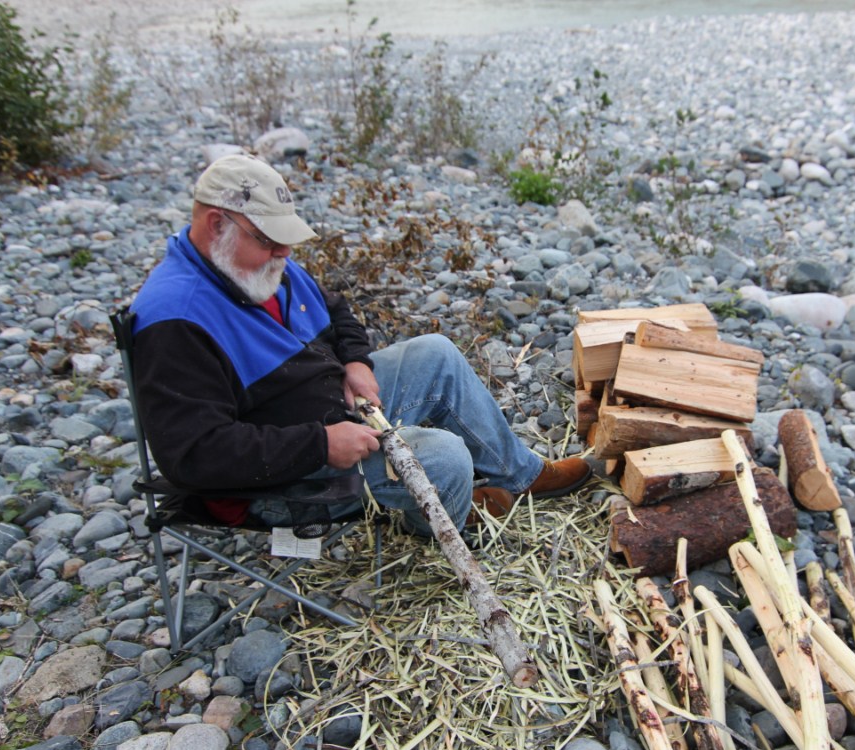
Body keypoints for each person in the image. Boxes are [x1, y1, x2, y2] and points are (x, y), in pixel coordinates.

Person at [128, 154, 591, 536]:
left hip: (332, 408)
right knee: (443, 456)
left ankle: (522, 475)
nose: (284, 254)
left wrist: (354, 361)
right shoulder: (175, 320)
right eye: (269, 240)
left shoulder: (253, 265)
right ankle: (443, 521)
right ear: (216, 225)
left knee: (436, 353)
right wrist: (319, 445)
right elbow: (194, 456)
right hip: (285, 480)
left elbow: (335, 309)